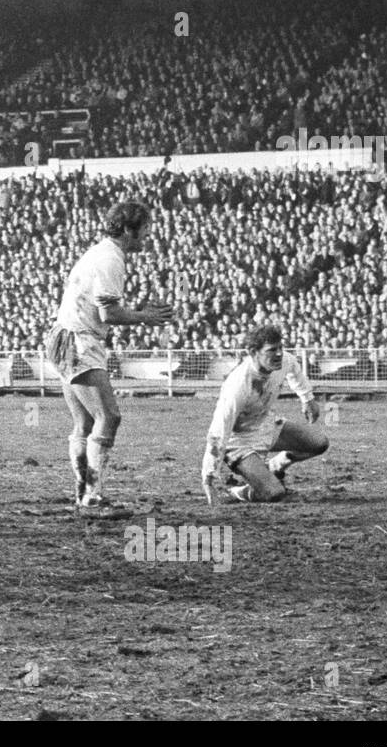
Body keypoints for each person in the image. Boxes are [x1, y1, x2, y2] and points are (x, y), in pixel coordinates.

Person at [45, 201, 174, 517]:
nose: (147, 235)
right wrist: (147, 317)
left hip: (64, 336)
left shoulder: (99, 252)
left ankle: (83, 494)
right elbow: (109, 313)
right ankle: (92, 498)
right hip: (79, 340)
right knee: (109, 417)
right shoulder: (110, 259)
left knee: (85, 422)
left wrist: (141, 311)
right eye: (144, 229)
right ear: (128, 229)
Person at [201, 324, 328, 504]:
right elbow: (218, 432)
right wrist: (209, 477)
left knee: (319, 443)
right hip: (238, 443)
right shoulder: (237, 385)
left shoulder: (283, 361)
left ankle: (275, 466)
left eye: (280, 348)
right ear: (254, 352)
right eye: (271, 350)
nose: (278, 354)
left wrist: (307, 399)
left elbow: (294, 367)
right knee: (274, 493)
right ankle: (241, 492)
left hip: (267, 426)